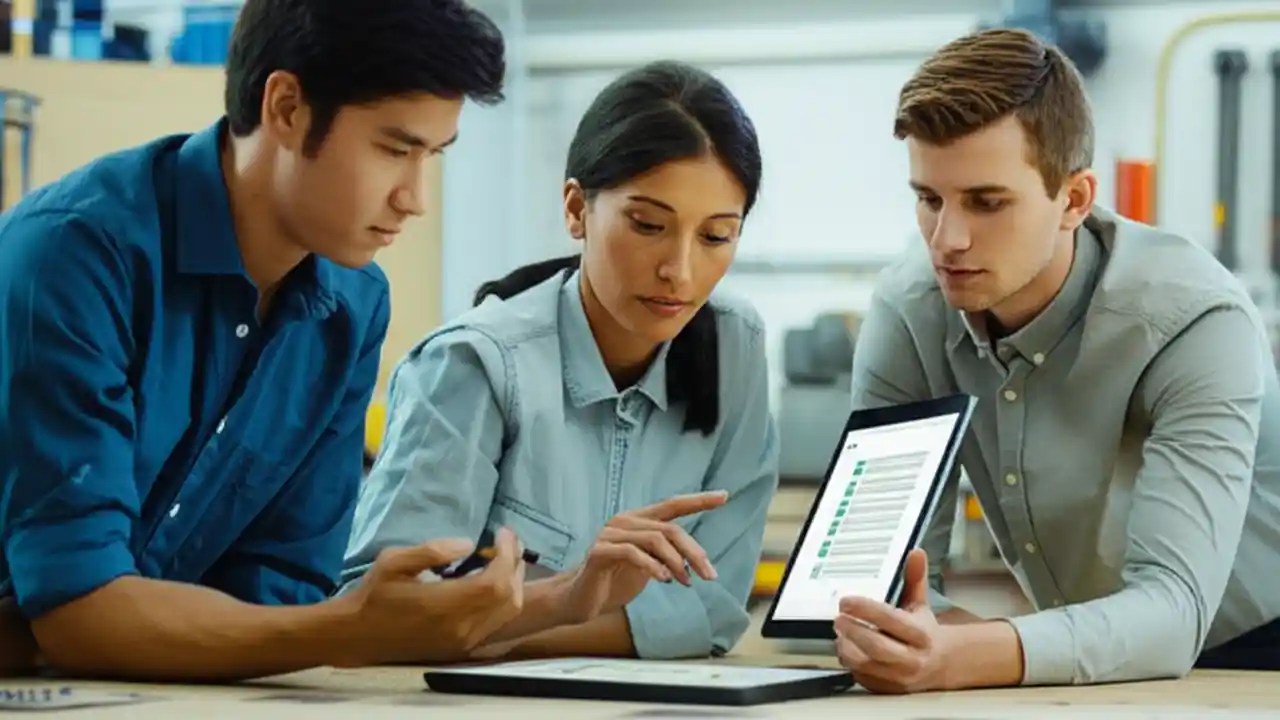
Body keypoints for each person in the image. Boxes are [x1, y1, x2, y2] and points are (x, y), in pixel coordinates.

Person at [0, 0, 572, 681]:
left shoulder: (354, 305)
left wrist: (343, 624)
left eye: (434, 155)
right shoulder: (74, 253)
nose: (416, 197)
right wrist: (351, 628)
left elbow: (280, 589)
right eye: (395, 149)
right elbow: (82, 610)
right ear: (287, 108)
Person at [836, 27, 1280, 693]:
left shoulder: (1192, 321)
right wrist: (916, 638)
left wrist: (957, 654)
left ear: (1073, 199)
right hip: (1090, 653)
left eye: (987, 203)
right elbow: (878, 573)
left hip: (1252, 648)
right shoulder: (909, 309)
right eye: (928, 199)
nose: (946, 240)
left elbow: (1173, 609)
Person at [342, 60, 780, 661]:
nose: (679, 270)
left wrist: (492, 626)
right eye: (648, 224)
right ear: (576, 209)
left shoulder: (737, 346)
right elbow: (384, 613)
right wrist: (576, 600)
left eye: (715, 236)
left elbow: (715, 611)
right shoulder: (475, 364)